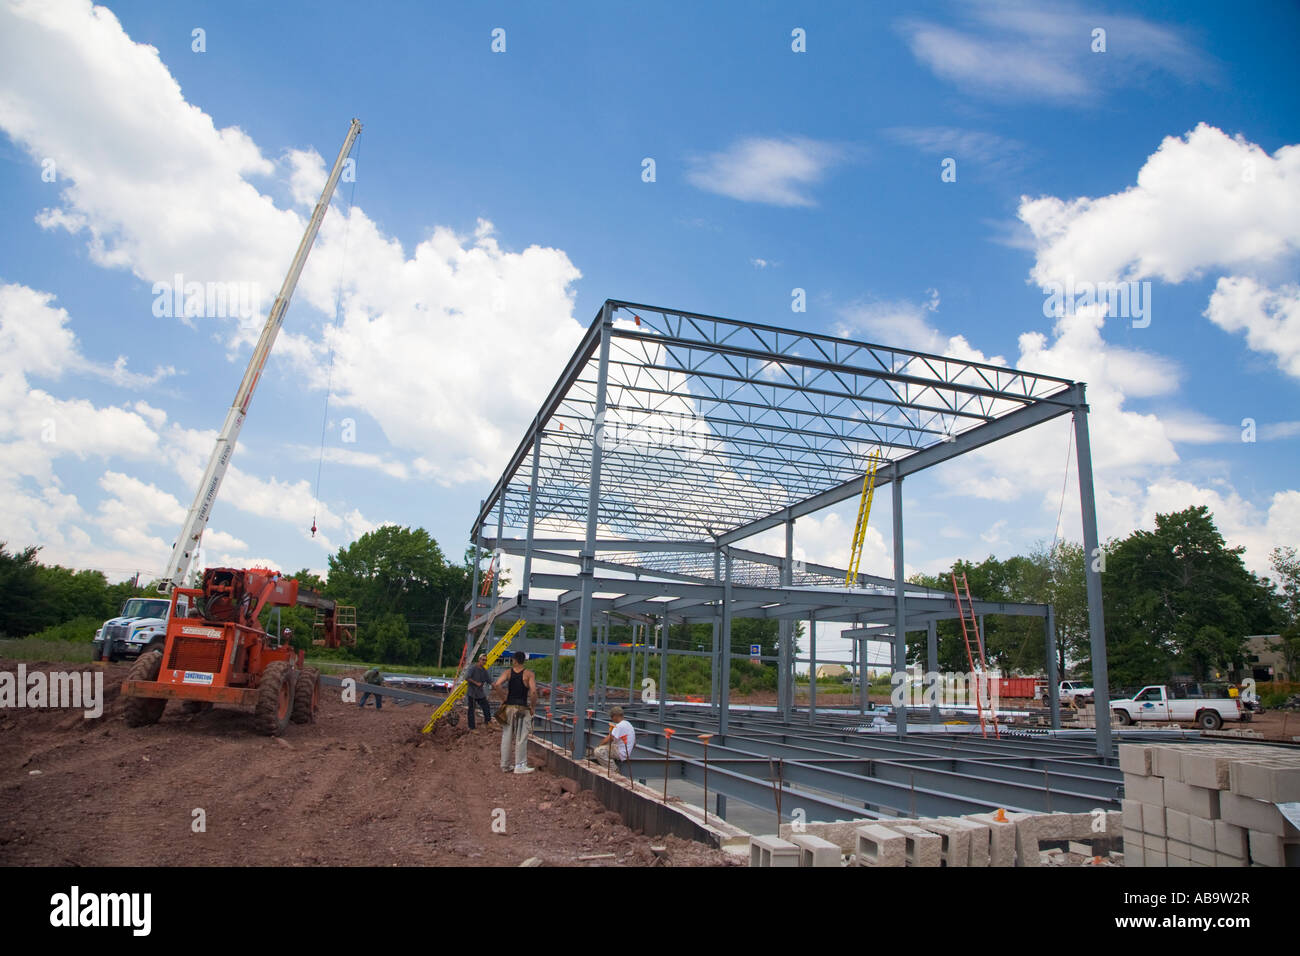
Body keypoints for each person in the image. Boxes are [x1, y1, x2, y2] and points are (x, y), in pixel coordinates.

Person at [493, 651, 536, 773]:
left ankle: (505, 765)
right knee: (521, 737)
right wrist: (532, 706)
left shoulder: (508, 673)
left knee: (506, 736)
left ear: (514, 660)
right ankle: (520, 765)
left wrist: (504, 699)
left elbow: (497, 684)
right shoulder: (529, 674)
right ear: (523, 661)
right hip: (522, 708)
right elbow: (533, 692)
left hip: (509, 707)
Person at [591, 705, 636, 772]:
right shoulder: (629, 724)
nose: (611, 718)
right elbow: (634, 743)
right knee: (607, 747)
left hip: (621, 752)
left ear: (616, 716)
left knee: (598, 751)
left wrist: (598, 746)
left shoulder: (619, 726)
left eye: (612, 716)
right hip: (625, 751)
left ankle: (614, 770)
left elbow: (609, 738)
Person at [465, 653, 493, 729]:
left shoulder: (484, 670)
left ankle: (488, 722)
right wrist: (476, 683)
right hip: (472, 693)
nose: (484, 661)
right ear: (479, 659)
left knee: (486, 706)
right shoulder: (473, 668)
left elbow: (489, 680)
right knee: (471, 710)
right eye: (483, 660)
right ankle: (472, 727)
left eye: (485, 660)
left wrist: (495, 685)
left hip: (480, 693)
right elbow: (467, 678)